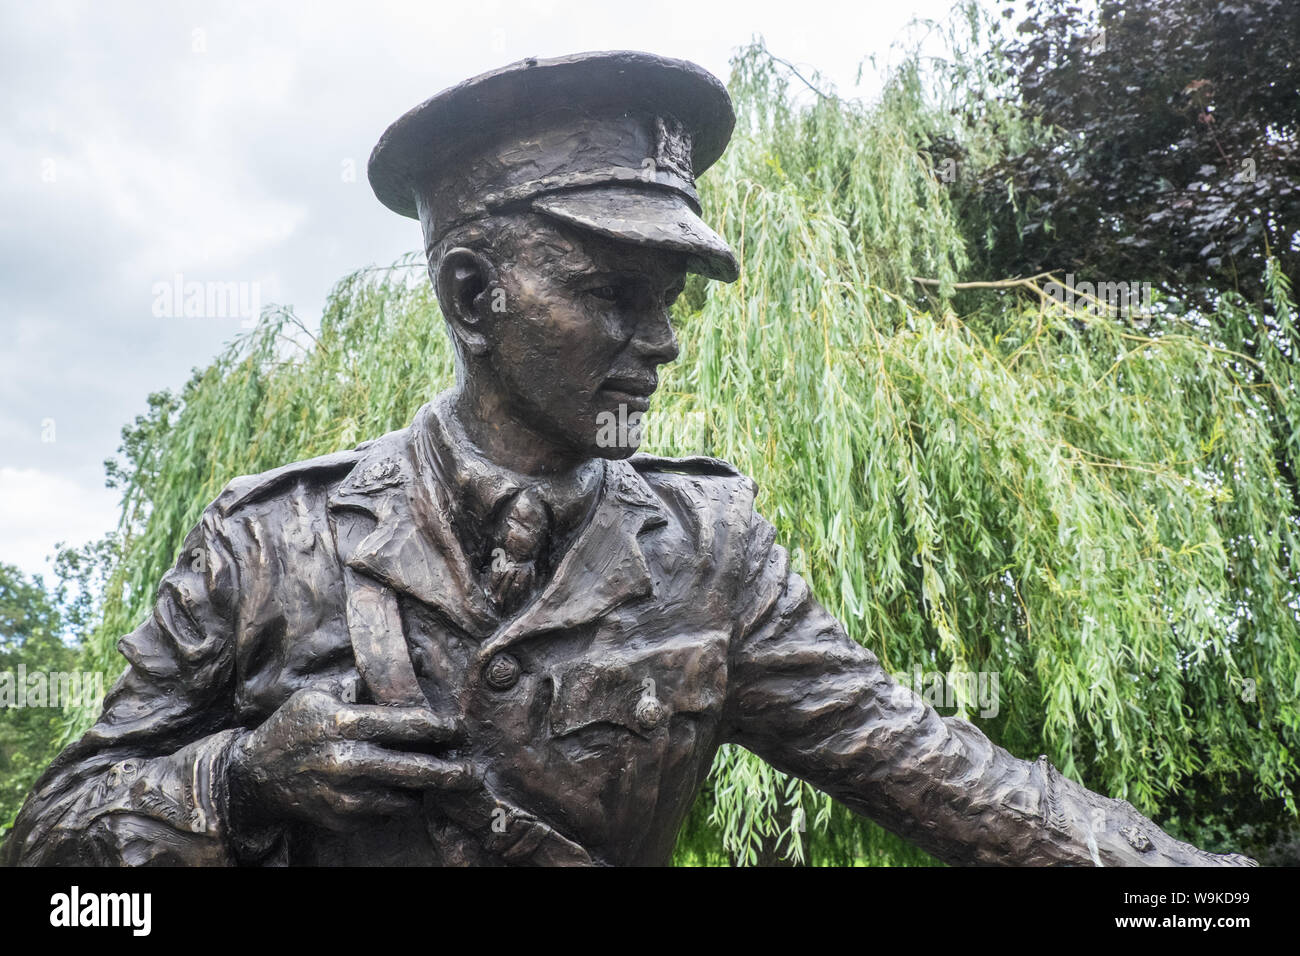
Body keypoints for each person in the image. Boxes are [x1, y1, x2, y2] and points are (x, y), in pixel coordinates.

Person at [1, 51, 1254, 867]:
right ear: (472, 291)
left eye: (671, 300)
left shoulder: (711, 551)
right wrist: (242, 777)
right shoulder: (265, 539)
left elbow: (952, 779)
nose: (657, 342)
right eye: (612, 293)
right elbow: (53, 863)